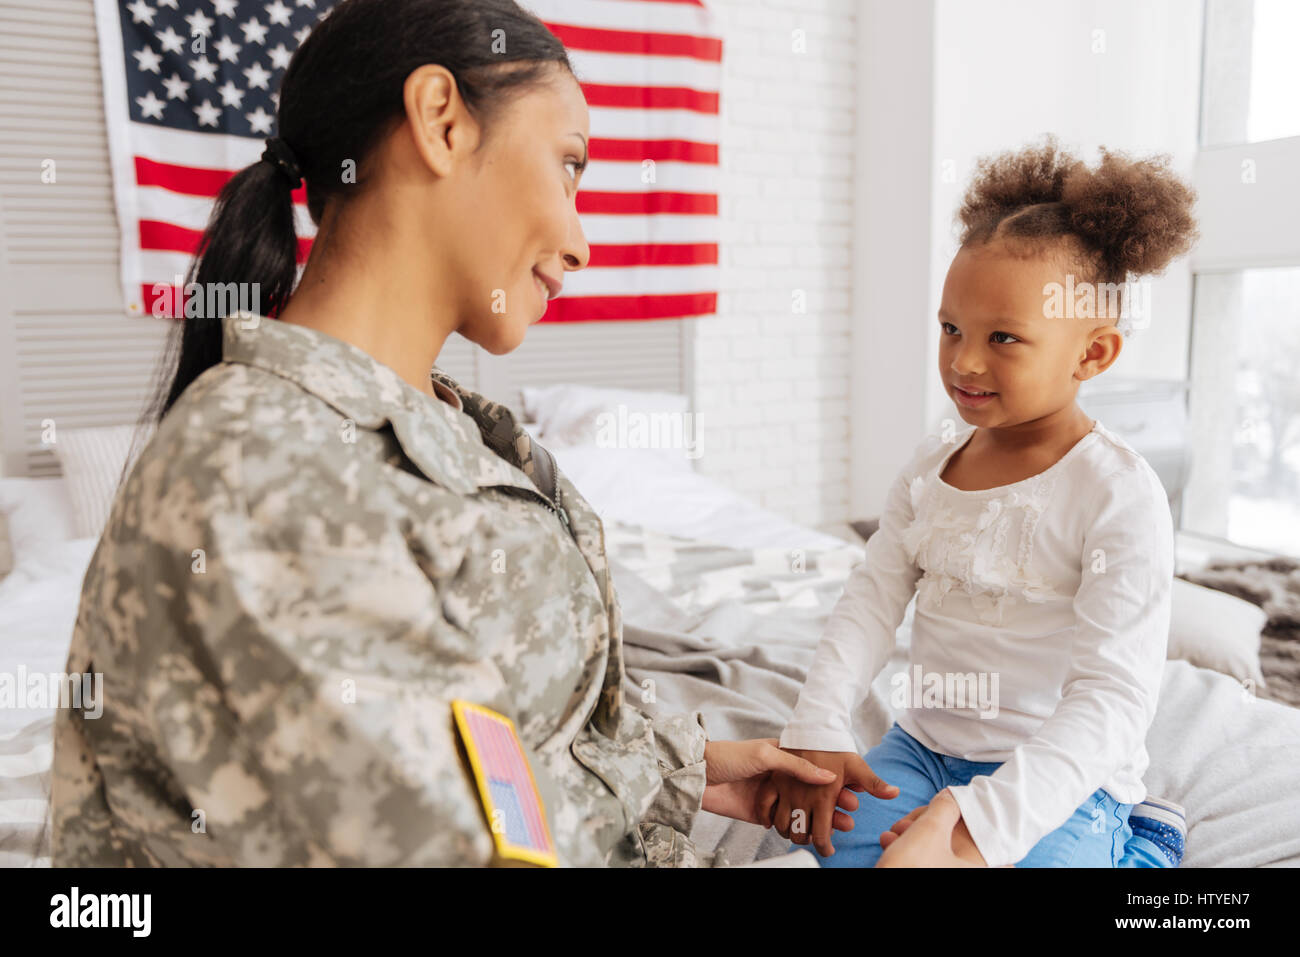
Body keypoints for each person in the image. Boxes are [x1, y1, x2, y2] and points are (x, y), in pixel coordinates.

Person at [49, 0, 871, 867]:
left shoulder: (439, 425)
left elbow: (485, 737)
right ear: (441, 121)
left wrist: (679, 767)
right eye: (567, 167)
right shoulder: (266, 473)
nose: (581, 241)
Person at [760, 136, 1198, 868]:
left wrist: (973, 824)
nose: (964, 360)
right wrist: (820, 719)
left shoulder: (1119, 493)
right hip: (924, 750)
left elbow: (1112, 701)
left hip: (1061, 775)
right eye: (950, 328)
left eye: (1003, 337)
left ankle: (1144, 838)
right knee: (830, 850)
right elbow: (870, 600)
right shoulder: (932, 467)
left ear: (1092, 354)